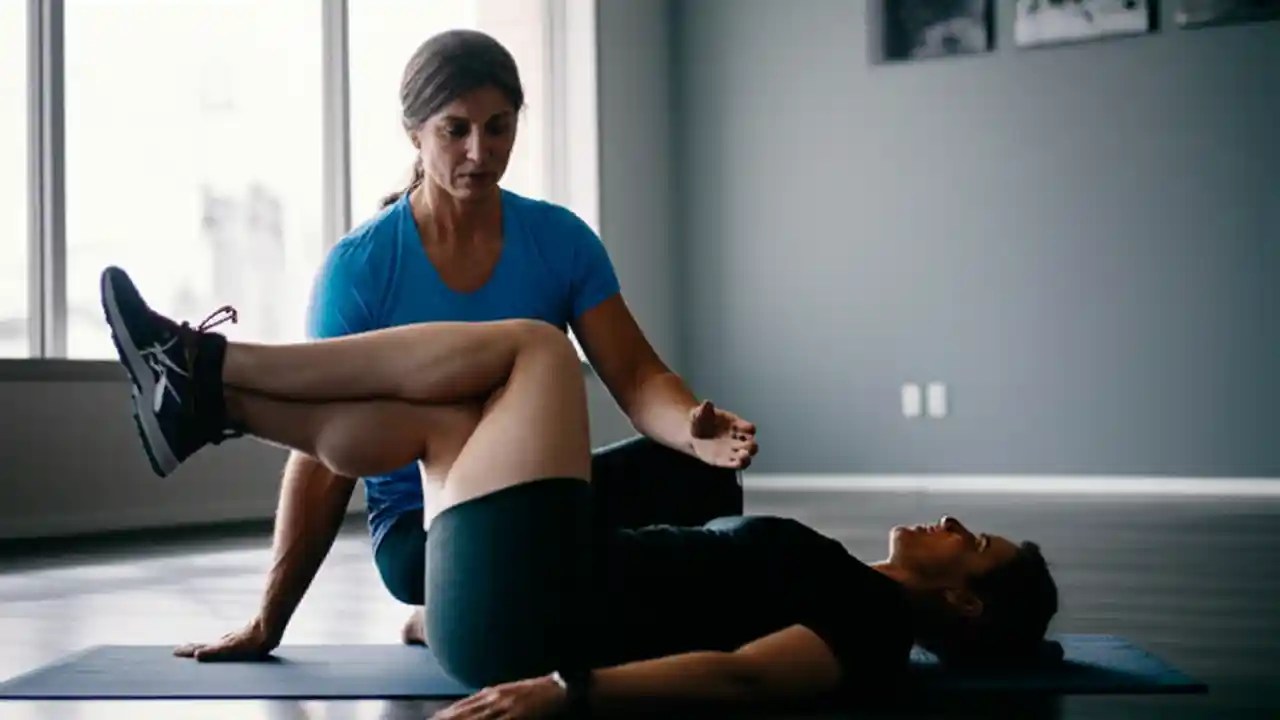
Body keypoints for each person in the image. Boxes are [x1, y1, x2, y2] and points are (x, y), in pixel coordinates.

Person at [100, 266, 1059, 719]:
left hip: (539, 617)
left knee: (531, 349)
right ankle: (209, 407)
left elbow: (749, 677)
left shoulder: (876, 627)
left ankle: (210, 366)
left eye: (973, 545)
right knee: (439, 424)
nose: (953, 525)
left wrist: (570, 693)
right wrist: (438, 620)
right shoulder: (857, 587)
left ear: (964, 601)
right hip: (496, 615)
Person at [172, 28, 759, 660]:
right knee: (541, 491)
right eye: (456, 130)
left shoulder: (559, 239)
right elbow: (321, 457)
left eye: (499, 127)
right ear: (415, 135)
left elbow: (638, 377)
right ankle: (485, 597)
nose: (480, 152)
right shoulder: (361, 267)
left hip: (547, 500)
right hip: (424, 531)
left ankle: (464, 611)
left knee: (697, 478)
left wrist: (692, 429)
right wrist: (269, 621)